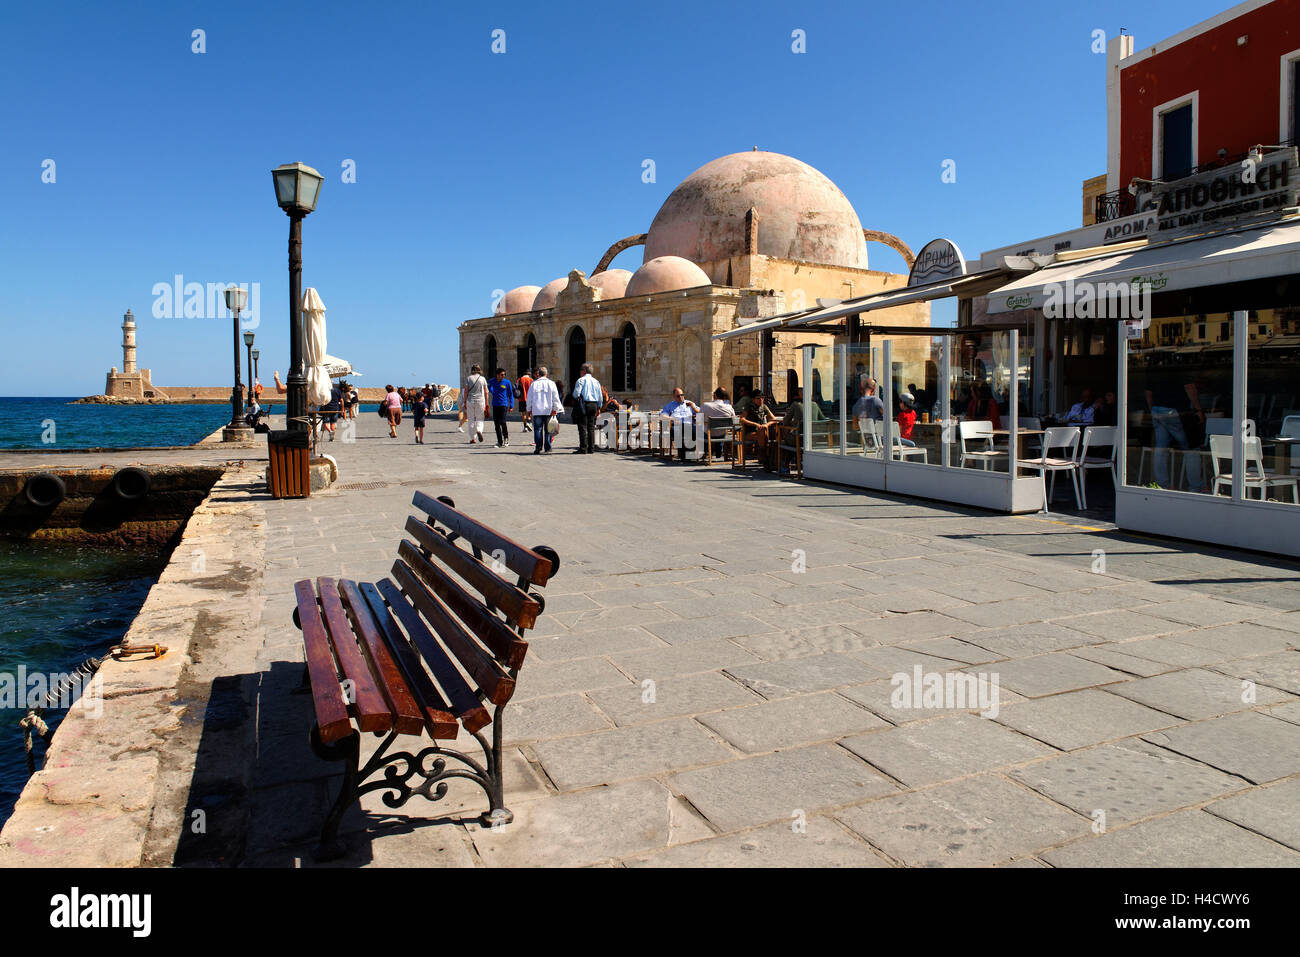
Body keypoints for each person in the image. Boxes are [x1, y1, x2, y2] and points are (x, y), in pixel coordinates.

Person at [526, 366, 564, 454]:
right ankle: (548, 447)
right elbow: (555, 397)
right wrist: (556, 408)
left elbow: (529, 398)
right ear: (546, 374)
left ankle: (538, 447)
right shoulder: (551, 384)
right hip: (548, 410)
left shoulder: (534, 384)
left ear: (538, 374)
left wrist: (529, 409)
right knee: (549, 429)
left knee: (538, 429)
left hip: (537, 410)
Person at [568, 363, 603, 454]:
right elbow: (600, 396)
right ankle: (591, 448)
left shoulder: (581, 380)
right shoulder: (596, 381)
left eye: (580, 370)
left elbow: (576, 394)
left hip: (584, 404)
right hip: (594, 405)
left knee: (582, 426)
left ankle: (583, 448)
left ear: (584, 371)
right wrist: (599, 407)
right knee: (591, 426)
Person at [739, 390, 779, 468]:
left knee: (764, 430)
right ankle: (764, 456)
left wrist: (767, 424)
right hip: (749, 432)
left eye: (763, 398)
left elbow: (773, 419)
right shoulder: (749, 406)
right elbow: (742, 419)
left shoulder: (764, 406)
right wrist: (755, 424)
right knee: (762, 432)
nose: (761, 400)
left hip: (761, 432)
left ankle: (765, 456)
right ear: (753, 399)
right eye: (758, 398)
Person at [661, 387, 700, 461]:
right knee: (677, 431)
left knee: (695, 431)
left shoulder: (689, 403)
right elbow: (663, 415)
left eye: (682, 395)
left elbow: (701, 412)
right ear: (674, 396)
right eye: (678, 396)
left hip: (688, 425)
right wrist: (672, 418)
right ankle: (683, 455)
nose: (681, 397)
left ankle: (688, 454)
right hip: (676, 425)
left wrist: (693, 407)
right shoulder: (670, 405)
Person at [487, 368, 515, 447]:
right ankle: (500, 441)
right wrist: (492, 391)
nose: (503, 376)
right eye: (502, 374)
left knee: (503, 422)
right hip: (495, 404)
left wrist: (511, 405)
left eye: (504, 374)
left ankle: (506, 438)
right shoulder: (492, 381)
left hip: (504, 404)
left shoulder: (507, 382)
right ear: (497, 375)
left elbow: (510, 394)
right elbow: (489, 387)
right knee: (496, 424)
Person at [462, 364, 489, 445]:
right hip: (480, 401)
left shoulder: (469, 378)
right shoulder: (482, 379)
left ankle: (473, 438)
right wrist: (487, 403)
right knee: (480, 418)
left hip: (470, 401)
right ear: (479, 370)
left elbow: (466, 391)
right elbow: (486, 392)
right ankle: (479, 430)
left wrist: (465, 401)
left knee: (471, 419)